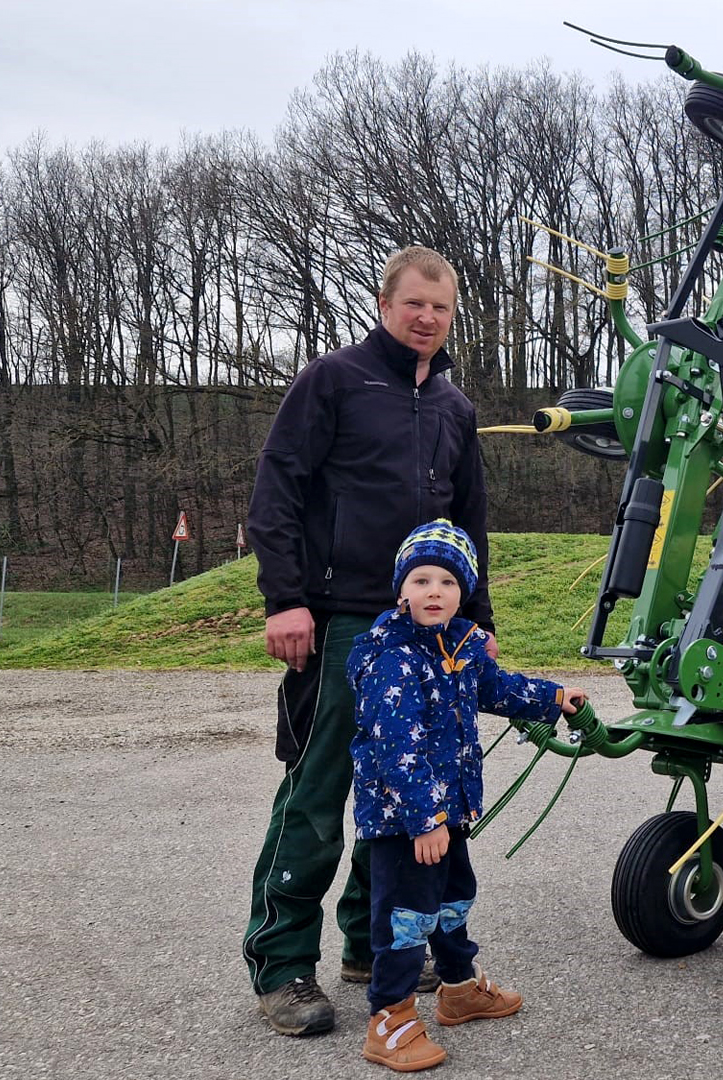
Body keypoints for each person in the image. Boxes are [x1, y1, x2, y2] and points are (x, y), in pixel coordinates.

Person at [242, 246, 495, 1036]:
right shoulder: (335, 381)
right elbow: (277, 486)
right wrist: (286, 598)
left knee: (399, 795)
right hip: (341, 617)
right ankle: (283, 966)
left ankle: (370, 941)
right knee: (318, 796)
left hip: (430, 632)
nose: (427, 318)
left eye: (442, 308)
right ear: (386, 304)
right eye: (415, 303)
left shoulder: (453, 408)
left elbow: (470, 523)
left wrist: (476, 623)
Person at [351, 521, 588, 1072]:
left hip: (448, 813)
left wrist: (554, 697)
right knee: (407, 915)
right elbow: (396, 747)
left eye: (448, 583)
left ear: (464, 592)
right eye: (421, 579)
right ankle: (389, 1019)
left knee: (454, 897)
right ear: (400, 590)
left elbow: (497, 688)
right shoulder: (391, 659)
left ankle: (457, 989)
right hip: (404, 820)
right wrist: (425, 818)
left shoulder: (459, 647)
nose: (434, 592)